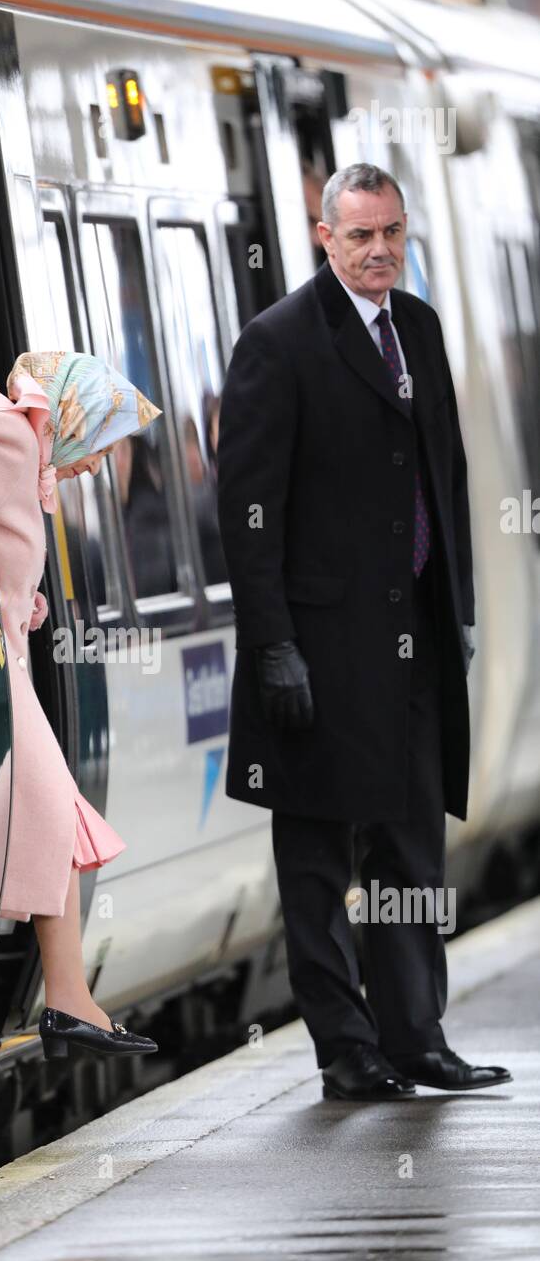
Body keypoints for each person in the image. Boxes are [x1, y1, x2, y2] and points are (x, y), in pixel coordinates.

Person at [216, 162, 512, 1101]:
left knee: (410, 846)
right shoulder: (278, 344)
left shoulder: (418, 330)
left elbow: (446, 479)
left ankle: (417, 1037)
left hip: (413, 638)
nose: (380, 249)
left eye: (393, 233)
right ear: (323, 237)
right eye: (360, 236)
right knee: (316, 856)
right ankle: (346, 1049)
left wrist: (456, 608)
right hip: (315, 646)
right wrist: (272, 645)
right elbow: (246, 508)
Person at [0, 349, 163, 1061]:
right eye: (99, 442)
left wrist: (20, 600)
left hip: (11, 666)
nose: (94, 467)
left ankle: (48, 999)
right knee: (35, 822)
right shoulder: (6, 434)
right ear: (71, 414)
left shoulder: (26, 452)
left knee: (31, 828)